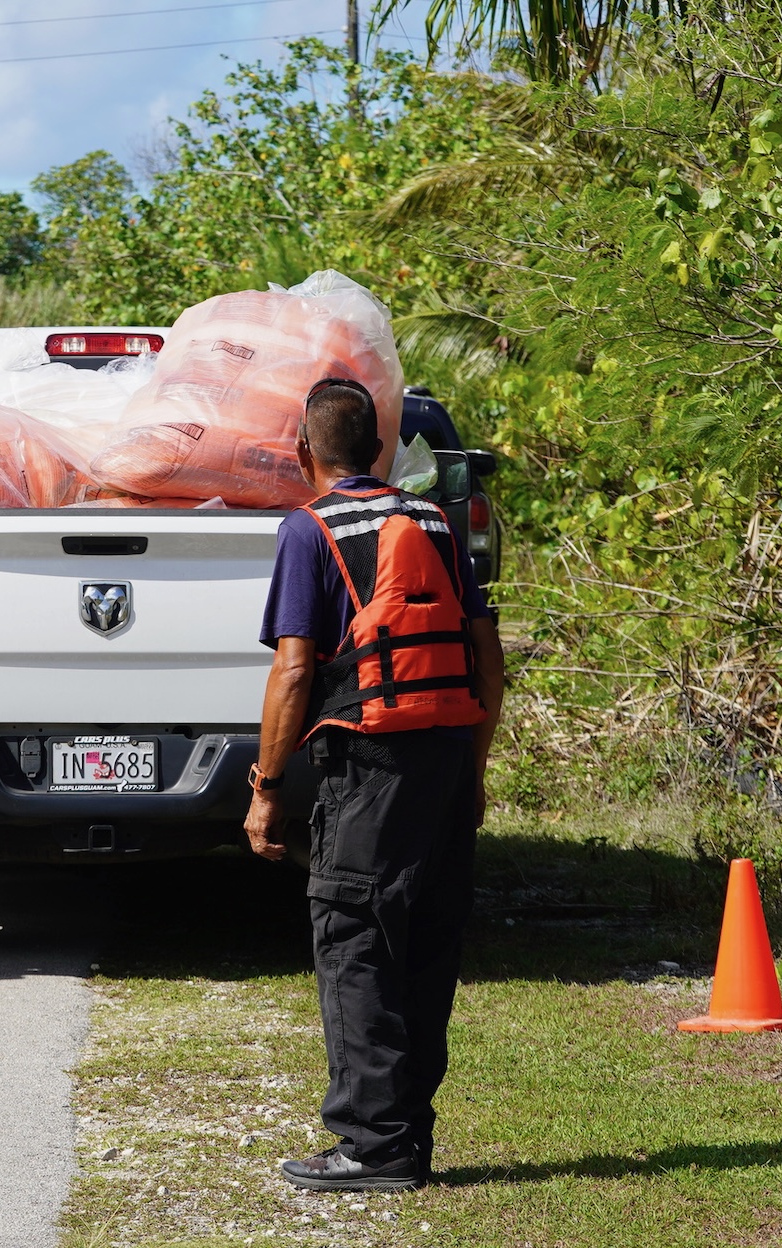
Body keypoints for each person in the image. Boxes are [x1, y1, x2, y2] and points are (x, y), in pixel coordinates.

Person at [244, 377, 506, 1193]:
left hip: (371, 761)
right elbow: (485, 654)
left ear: (302, 452)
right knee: (426, 940)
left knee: (354, 936)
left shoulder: (308, 528)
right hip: (444, 754)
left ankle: (371, 1144)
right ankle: (405, 1137)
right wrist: (475, 764)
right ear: (384, 452)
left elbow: (293, 671)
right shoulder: (431, 520)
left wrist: (267, 784)